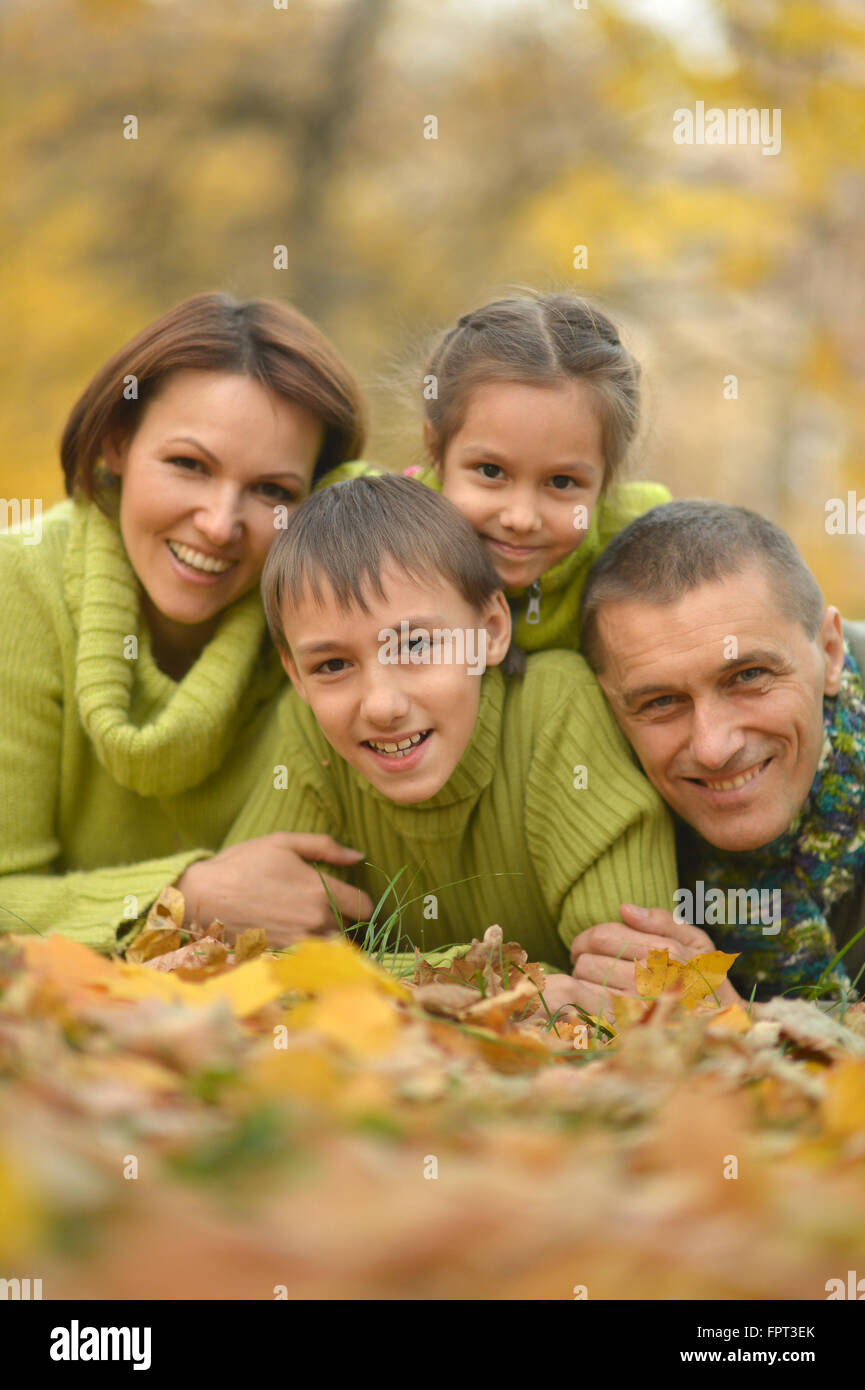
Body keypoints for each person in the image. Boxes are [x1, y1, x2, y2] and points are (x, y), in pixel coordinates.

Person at [0, 292, 377, 953]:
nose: (218, 523)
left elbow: (529, 503)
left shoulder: (337, 599)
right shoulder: (18, 585)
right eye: (189, 465)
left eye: (272, 491)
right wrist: (188, 899)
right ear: (116, 444)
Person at [216, 474, 677, 981]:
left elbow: (629, 986)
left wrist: (355, 975)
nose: (382, 705)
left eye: (414, 646)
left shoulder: (557, 709)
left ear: (491, 631)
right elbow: (240, 950)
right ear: (296, 678)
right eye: (331, 666)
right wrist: (481, 983)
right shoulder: (307, 733)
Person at [567, 499, 865, 1012]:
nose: (712, 747)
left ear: (831, 652)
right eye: (661, 702)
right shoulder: (604, 799)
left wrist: (740, 1026)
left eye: (749, 676)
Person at [401, 292, 671, 652]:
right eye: (492, 471)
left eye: (562, 482)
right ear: (436, 450)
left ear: (606, 481)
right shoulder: (381, 542)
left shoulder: (646, 544)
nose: (522, 519)